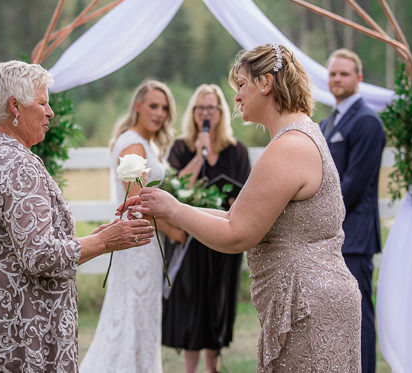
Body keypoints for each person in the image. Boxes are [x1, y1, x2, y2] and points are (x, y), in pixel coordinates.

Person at [132, 44, 361, 372]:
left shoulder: (289, 147)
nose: (236, 97)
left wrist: (175, 210)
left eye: (241, 85)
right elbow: (234, 216)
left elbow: (236, 234)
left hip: (308, 305)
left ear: (266, 83)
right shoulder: (300, 135)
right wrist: (168, 206)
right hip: (315, 299)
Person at [0, 61, 155, 373]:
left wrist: (93, 238)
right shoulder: (19, 167)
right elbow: (40, 256)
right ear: (15, 106)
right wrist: (104, 241)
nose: (50, 112)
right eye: (43, 103)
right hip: (20, 321)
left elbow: (26, 245)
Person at [80, 79, 186, 373]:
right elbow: (138, 200)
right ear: (137, 106)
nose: (160, 113)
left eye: (164, 108)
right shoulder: (133, 144)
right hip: (137, 241)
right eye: (153, 105)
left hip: (144, 240)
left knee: (141, 315)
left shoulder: (142, 143)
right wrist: (177, 228)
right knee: (131, 313)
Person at [162, 84, 250, 373]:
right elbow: (175, 188)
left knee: (218, 300)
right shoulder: (181, 147)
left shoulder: (235, 151)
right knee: (191, 303)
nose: (205, 113)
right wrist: (200, 155)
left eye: (211, 108)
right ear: (194, 112)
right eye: (200, 108)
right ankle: (190, 369)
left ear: (220, 112)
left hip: (224, 236)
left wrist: (214, 156)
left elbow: (245, 194)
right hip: (190, 238)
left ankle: (212, 367)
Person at [320, 48, 386, 373]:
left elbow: (354, 184)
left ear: (358, 78)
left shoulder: (367, 122)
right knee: (336, 317)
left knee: (359, 315)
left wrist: (317, 214)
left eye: (344, 74)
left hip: (355, 236)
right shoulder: (326, 122)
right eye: (333, 73)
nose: (337, 79)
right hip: (331, 236)